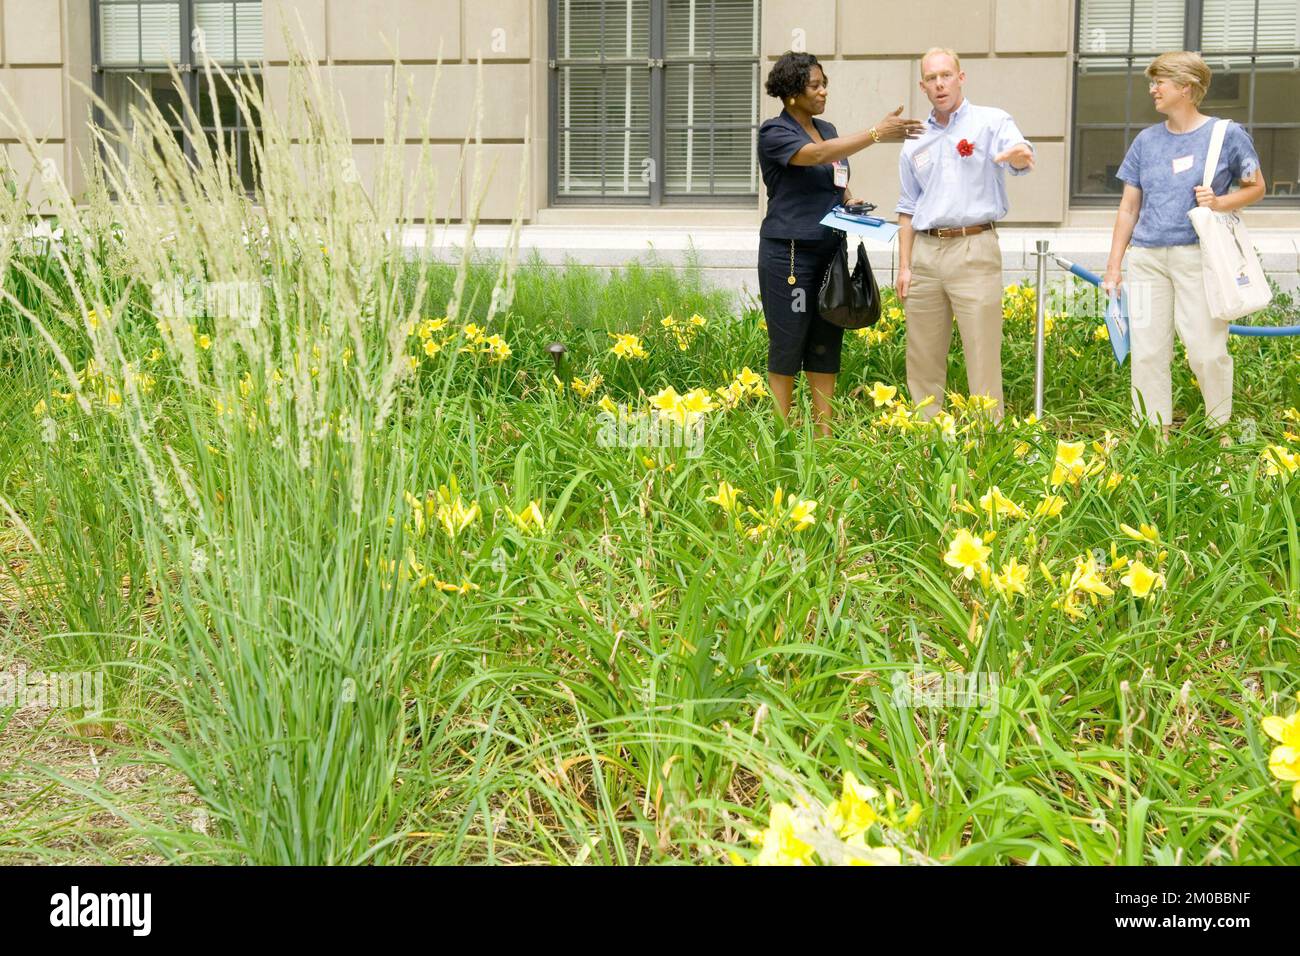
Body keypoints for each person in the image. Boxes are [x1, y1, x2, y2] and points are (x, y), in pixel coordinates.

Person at [1101, 51, 1265, 441]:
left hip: (1199, 258)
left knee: (1206, 353)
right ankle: (1151, 439)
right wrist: (1114, 266)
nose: (1152, 89)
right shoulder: (1145, 141)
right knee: (1147, 354)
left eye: (1160, 82)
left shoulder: (1226, 135)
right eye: (1152, 82)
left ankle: (1220, 432)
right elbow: (1128, 207)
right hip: (1145, 259)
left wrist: (1220, 202)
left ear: (1187, 89)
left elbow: (1257, 186)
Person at [757, 51, 922, 436]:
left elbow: (834, 173)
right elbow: (814, 156)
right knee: (788, 343)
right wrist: (876, 133)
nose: (823, 91)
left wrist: (850, 201)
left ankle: (824, 437)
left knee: (825, 340)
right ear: (792, 92)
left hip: (831, 250)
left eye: (824, 84)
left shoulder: (828, 129)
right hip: (790, 255)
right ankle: (781, 436)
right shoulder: (774, 132)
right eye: (815, 85)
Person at [895, 47, 1035, 423]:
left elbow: (1019, 154)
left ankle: (990, 444)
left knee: (982, 353)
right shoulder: (914, 139)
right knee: (922, 354)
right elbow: (907, 207)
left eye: (945, 75)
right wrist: (905, 266)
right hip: (925, 253)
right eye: (931, 78)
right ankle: (928, 442)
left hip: (975, 248)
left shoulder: (991, 121)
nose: (939, 84)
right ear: (922, 86)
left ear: (961, 77)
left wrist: (1019, 156)